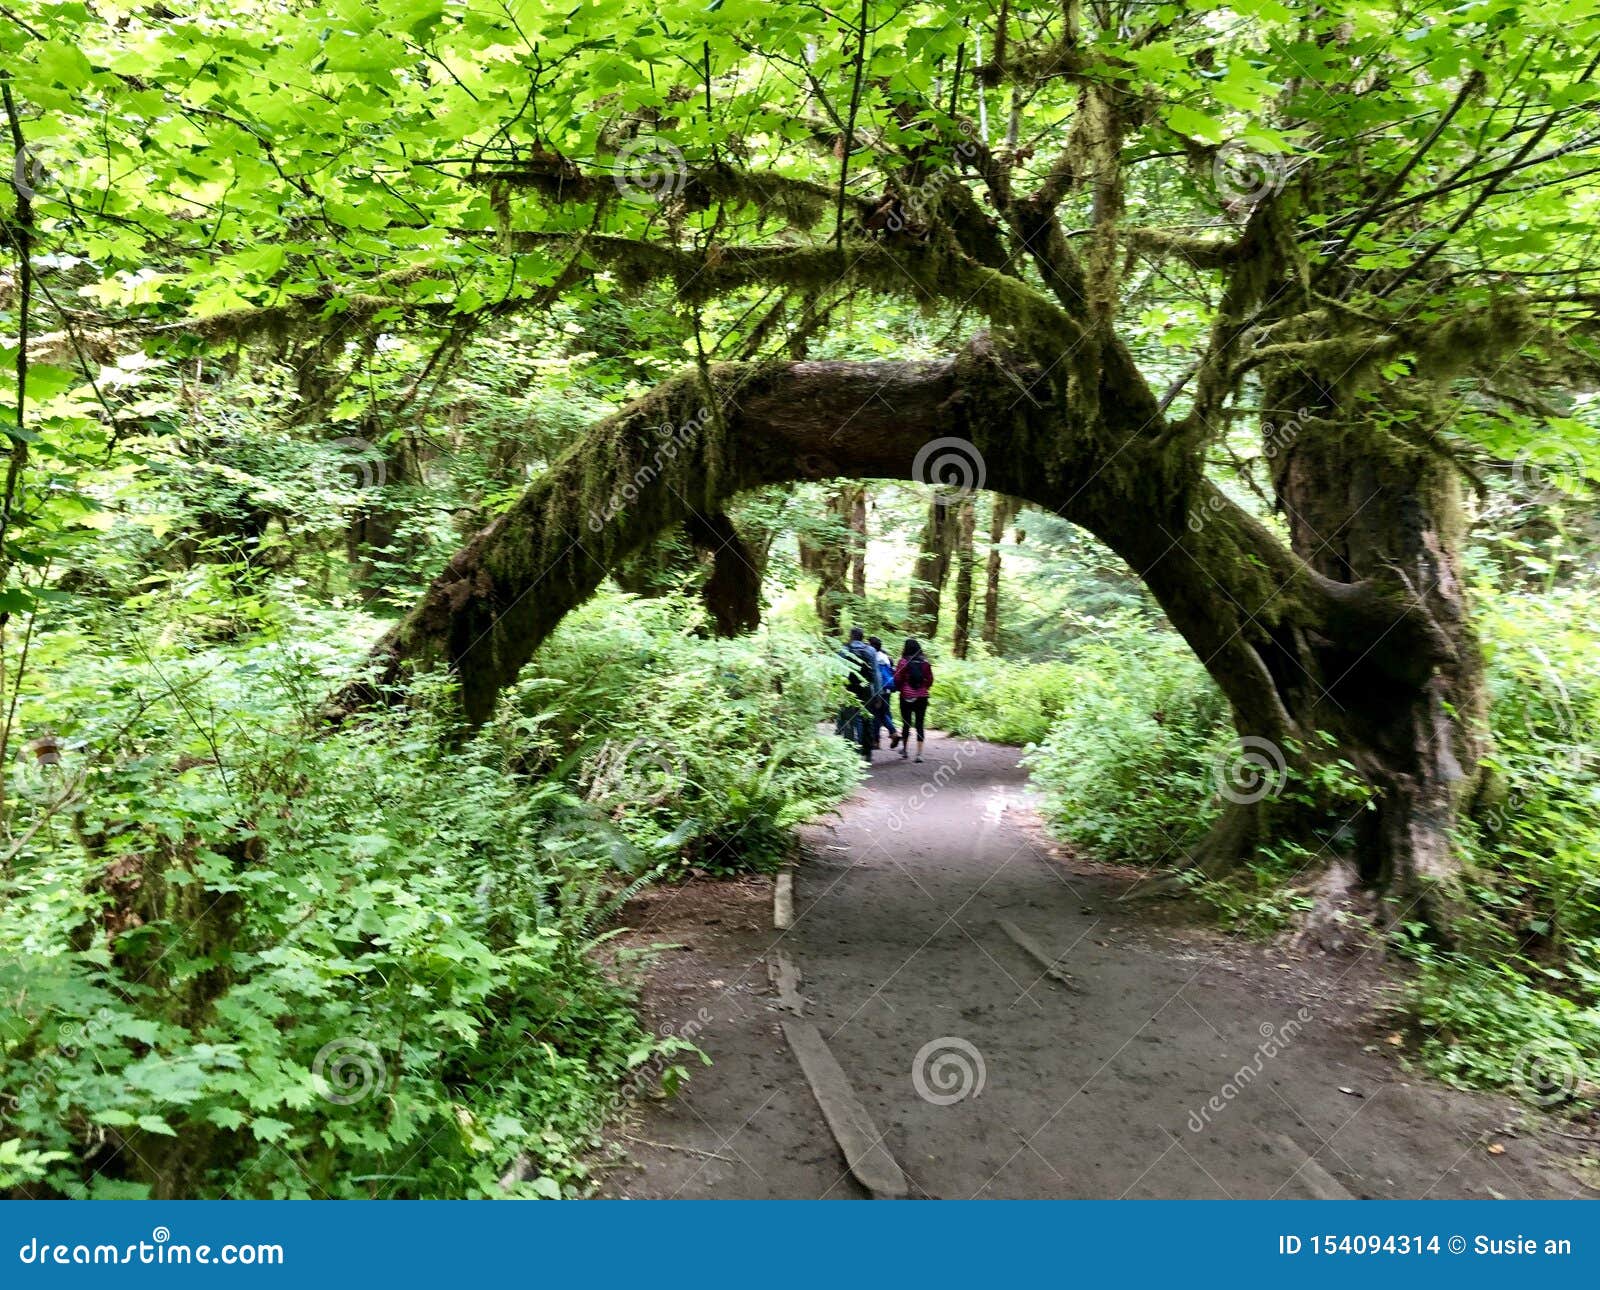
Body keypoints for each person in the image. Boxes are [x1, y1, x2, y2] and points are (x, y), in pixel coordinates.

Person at [839, 627, 883, 761]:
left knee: (849, 720)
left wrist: (838, 691)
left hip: (848, 689)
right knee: (867, 720)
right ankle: (868, 752)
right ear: (862, 637)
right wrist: (878, 693)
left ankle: (850, 753)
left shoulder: (844, 650)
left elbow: (838, 672)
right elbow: (876, 673)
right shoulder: (870, 650)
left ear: (851, 636)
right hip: (866, 689)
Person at [893, 638, 933, 762]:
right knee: (919, 724)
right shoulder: (925, 663)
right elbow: (930, 679)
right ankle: (919, 754)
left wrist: (902, 689)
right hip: (922, 696)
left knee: (906, 723)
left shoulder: (903, 662)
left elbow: (897, 679)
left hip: (906, 696)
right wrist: (924, 688)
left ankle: (905, 750)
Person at [868, 635, 899, 749]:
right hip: (888, 689)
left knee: (877, 714)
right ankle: (892, 733)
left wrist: (877, 692)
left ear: (873, 646)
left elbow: (876, 676)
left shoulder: (874, 657)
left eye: (869, 644)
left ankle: (876, 741)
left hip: (878, 689)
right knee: (883, 713)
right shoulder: (885, 657)